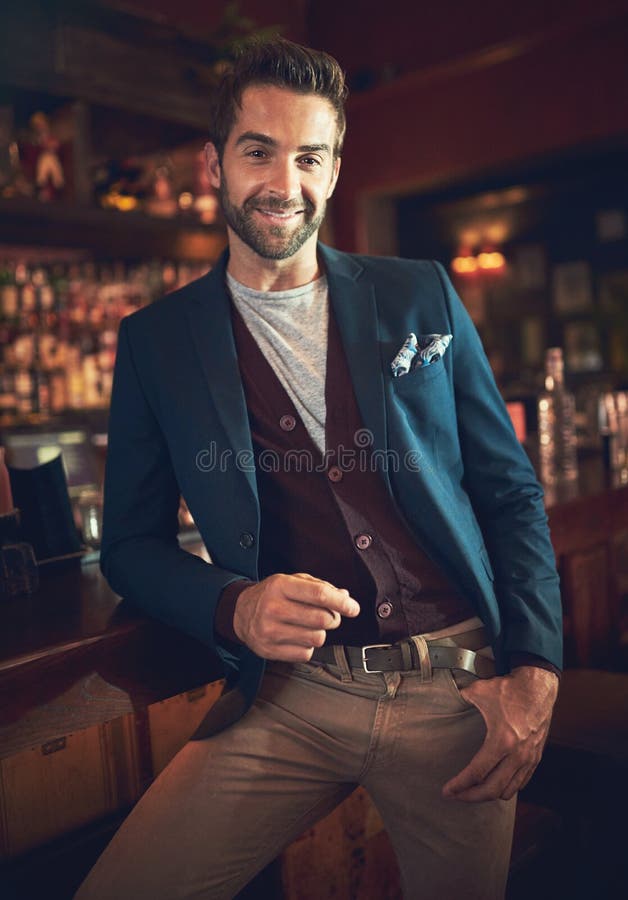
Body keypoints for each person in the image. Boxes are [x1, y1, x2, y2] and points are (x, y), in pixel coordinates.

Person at [75, 38, 561, 900]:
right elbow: (131, 548)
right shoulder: (155, 342)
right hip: (289, 698)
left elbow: (509, 492)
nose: (283, 183)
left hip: (456, 688)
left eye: (309, 157)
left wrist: (533, 671)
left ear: (334, 170)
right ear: (213, 164)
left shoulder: (421, 295)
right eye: (258, 151)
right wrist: (234, 604)